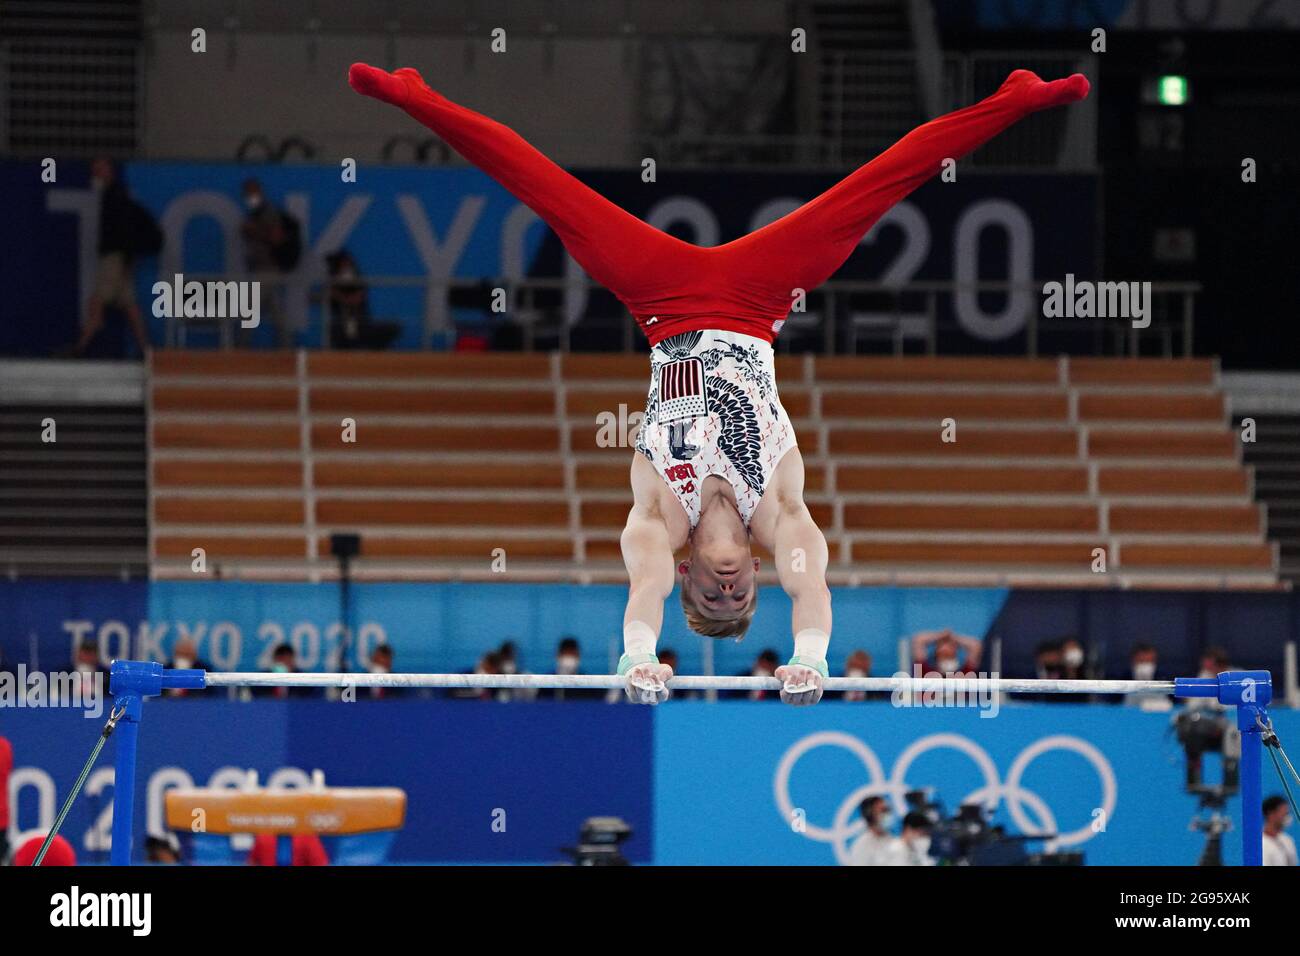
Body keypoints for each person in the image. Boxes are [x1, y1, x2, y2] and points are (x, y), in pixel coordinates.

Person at [348, 62, 1089, 708]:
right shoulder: (781, 512)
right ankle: (1013, 100)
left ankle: (417, 97)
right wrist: (809, 659)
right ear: (757, 576)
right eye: (739, 598)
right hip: (759, 301)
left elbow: (643, 594)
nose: (727, 590)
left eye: (710, 596)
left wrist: (638, 655)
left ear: (687, 575)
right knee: (875, 186)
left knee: (547, 189)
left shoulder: (656, 519)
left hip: (663, 303)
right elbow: (814, 592)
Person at [65, 157, 154, 356]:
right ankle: (146, 348)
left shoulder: (115, 195)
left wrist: (126, 257)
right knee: (129, 306)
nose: (96, 174)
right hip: (121, 258)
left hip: (114, 258)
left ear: (109, 170)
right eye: (94, 170)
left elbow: (125, 229)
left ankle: (82, 344)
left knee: (97, 301)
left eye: (99, 169)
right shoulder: (112, 194)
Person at [240, 178, 297, 346]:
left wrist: (253, 230)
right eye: (247, 193)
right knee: (276, 311)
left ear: (260, 193)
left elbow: (276, 238)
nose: (249, 197)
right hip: (259, 268)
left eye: (252, 193)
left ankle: (240, 349)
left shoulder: (269, 212)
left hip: (268, 269)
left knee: (248, 310)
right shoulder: (254, 214)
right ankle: (287, 346)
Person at [325, 249, 400, 349]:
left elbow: (357, 298)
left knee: (393, 328)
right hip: (342, 324)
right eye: (343, 264)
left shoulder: (357, 279)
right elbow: (330, 295)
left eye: (348, 263)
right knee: (344, 332)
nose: (346, 267)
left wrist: (343, 297)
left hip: (361, 322)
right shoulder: (332, 281)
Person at [912, 628, 983, 676]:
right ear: (937, 650)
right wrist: (941, 635)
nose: (946, 649)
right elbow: (919, 640)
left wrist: (954, 637)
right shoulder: (925, 671)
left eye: (951, 646)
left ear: (955, 650)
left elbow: (975, 645)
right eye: (941, 645)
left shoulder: (965, 673)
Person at [847, 795, 893, 865]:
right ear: (869, 815)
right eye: (883, 811)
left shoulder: (893, 840)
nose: (887, 815)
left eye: (887, 810)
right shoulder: (861, 845)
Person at [1262, 796, 1297, 866]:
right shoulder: (1261, 844)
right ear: (1271, 814)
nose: (1287, 817)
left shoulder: (1287, 840)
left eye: (1287, 813)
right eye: (1284, 813)